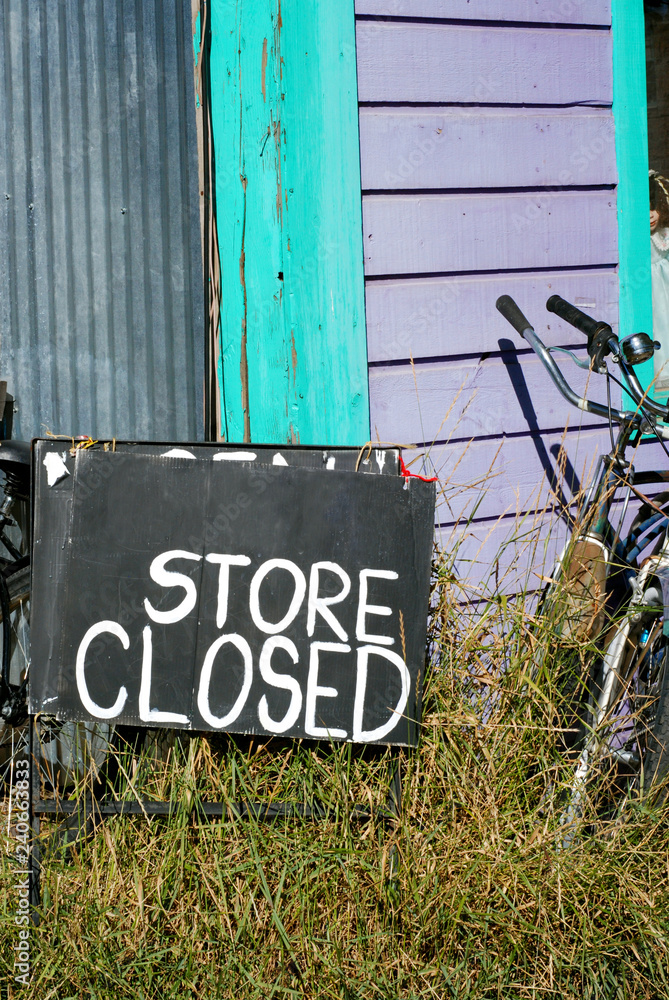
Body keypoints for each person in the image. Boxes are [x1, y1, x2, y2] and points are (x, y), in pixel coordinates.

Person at [650, 170, 669, 392]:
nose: (651, 214)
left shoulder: (663, 235)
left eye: (654, 207)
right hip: (650, 296)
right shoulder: (640, 238)